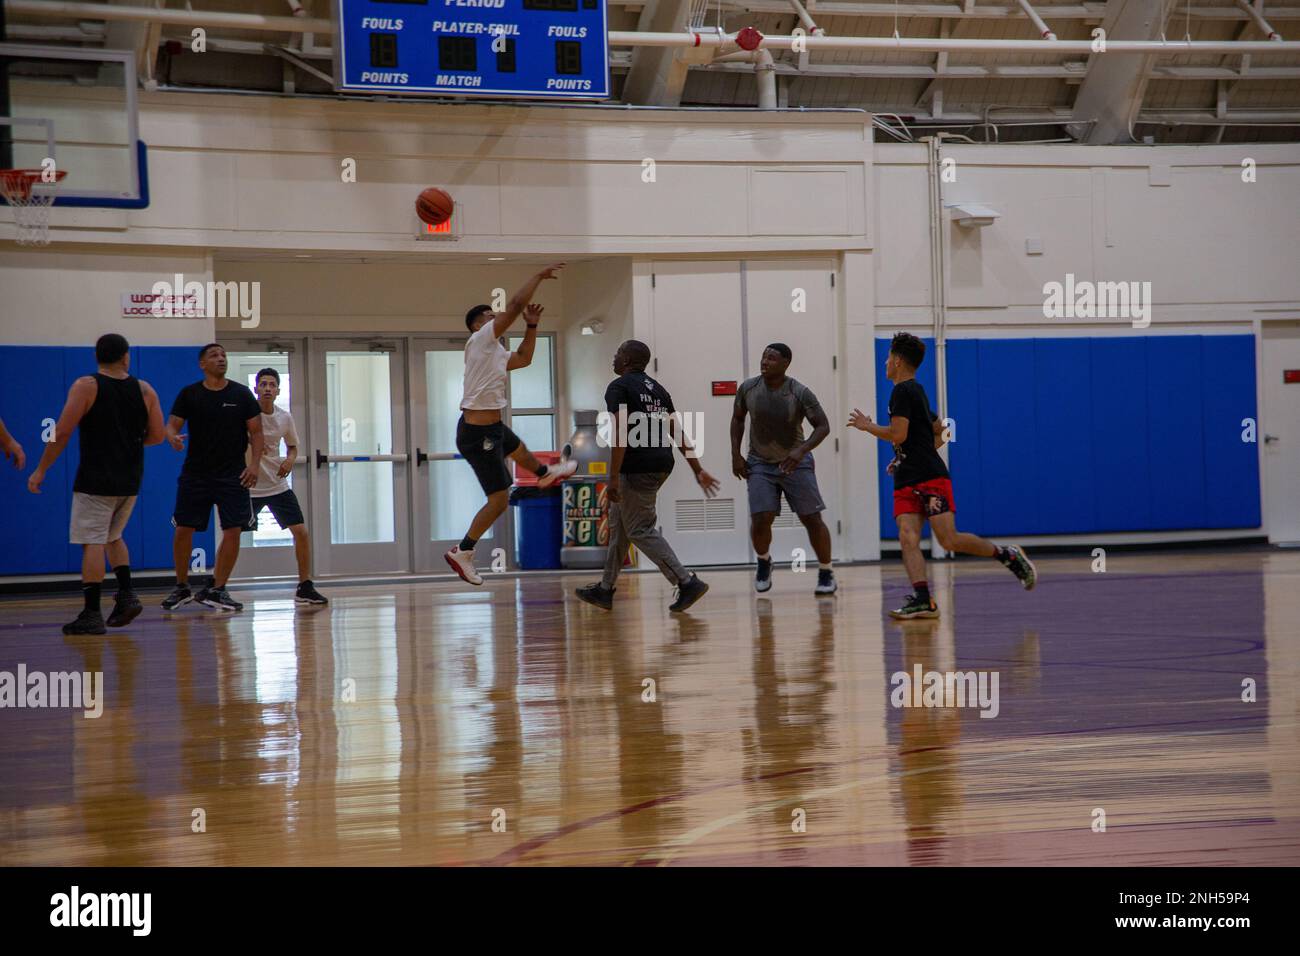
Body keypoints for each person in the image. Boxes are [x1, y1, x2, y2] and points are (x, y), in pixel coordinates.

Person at [848, 331, 1035, 619]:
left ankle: (1007, 555)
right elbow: (941, 432)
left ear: (897, 361)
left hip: (930, 478)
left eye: (887, 358)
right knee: (907, 536)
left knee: (949, 540)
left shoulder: (903, 391)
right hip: (907, 478)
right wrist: (904, 457)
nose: (885, 363)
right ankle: (923, 599)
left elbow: (898, 433)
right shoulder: (916, 392)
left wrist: (867, 426)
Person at [445, 264, 578, 585]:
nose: (496, 318)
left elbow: (525, 358)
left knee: (517, 448)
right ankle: (463, 551)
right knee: (500, 499)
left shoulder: (496, 352)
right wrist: (538, 277)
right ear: (477, 325)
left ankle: (545, 475)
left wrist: (532, 327)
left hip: (491, 427)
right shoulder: (480, 340)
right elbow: (515, 305)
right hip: (477, 433)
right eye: (490, 315)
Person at [26, 333, 165, 634]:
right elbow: (156, 436)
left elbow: (62, 432)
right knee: (114, 536)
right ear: (126, 356)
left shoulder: (86, 386)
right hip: (130, 478)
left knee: (92, 541)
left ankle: (91, 613)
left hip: (96, 479)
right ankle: (127, 595)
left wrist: (41, 469)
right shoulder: (145, 390)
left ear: (97, 357)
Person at [574, 339, 719, 613]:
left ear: (627, 360)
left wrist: (613, 476)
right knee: (620, 527)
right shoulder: (659, 391)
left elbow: (620, 432)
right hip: (661, 462)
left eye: (617, 354)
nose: (613, 359)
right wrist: (697, 469)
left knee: (639, 529)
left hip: (637, 468)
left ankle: (685, 582)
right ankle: (605, 589)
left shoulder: (619, 387)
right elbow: (676, 432)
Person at [161, 343, 263, 612]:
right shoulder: (190, 394)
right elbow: (171, 425)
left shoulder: (241, 394)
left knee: (233, 530)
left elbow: (257, 433)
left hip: (232, 475)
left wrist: (254, 466)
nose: (221, 359)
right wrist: (172, 436)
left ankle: (218, 589)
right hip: (196, 474)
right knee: (183, 529)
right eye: (214, 356)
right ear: (202, 364)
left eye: (223, 355)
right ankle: (182, 587)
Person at [731, 343, 837, 595]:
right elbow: (737, 418)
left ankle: (826, 571)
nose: (765, 361)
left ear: (786, 363)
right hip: (759, 462)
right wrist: (735, 454)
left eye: (771, 358)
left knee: (812, 518)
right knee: (760, 518)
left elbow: (823, 426)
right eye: (763, 356)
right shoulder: (748, 388)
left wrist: (801, 451)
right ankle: (764, 561)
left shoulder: (799, 392)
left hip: (795, 463)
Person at [248, 368, 326, 605]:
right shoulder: (247, 416)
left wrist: (290, 460)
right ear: (256, 389)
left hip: (277, 485)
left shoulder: (284, 417)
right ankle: (217, 587)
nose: (268, 388)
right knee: (231, 536)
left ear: (278, 390)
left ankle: (305, 585)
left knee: (301, 532)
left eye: (272, 384)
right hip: (249, 487)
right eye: (263, 384)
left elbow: (292, 446)